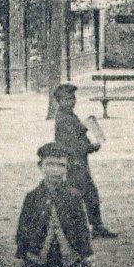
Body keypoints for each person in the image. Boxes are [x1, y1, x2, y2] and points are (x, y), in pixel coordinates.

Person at [47, 84, 115, 238]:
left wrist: (85, 127)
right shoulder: (64, 119)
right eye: (67, 99)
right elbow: (72, 145)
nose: (72, 102)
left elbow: (76, 134)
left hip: (78, 162)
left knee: (88, 193)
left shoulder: (69, 115)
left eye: (73, 98)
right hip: (73, 163)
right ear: (59, 101)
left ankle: (94, 226)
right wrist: (91, 147)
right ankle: (78, 230)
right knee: (78, 196)